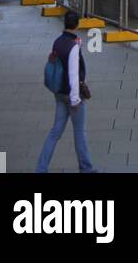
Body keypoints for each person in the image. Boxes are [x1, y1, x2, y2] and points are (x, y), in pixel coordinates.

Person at [36, 10, 97, 174]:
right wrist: (75, 99)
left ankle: (41, 168)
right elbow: (73, 73)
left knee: (55, 132)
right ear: (77, 24)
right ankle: (86, 168)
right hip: (71, 94)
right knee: (79, 133)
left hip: (59, 93)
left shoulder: (57, 42)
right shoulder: (73, 46)